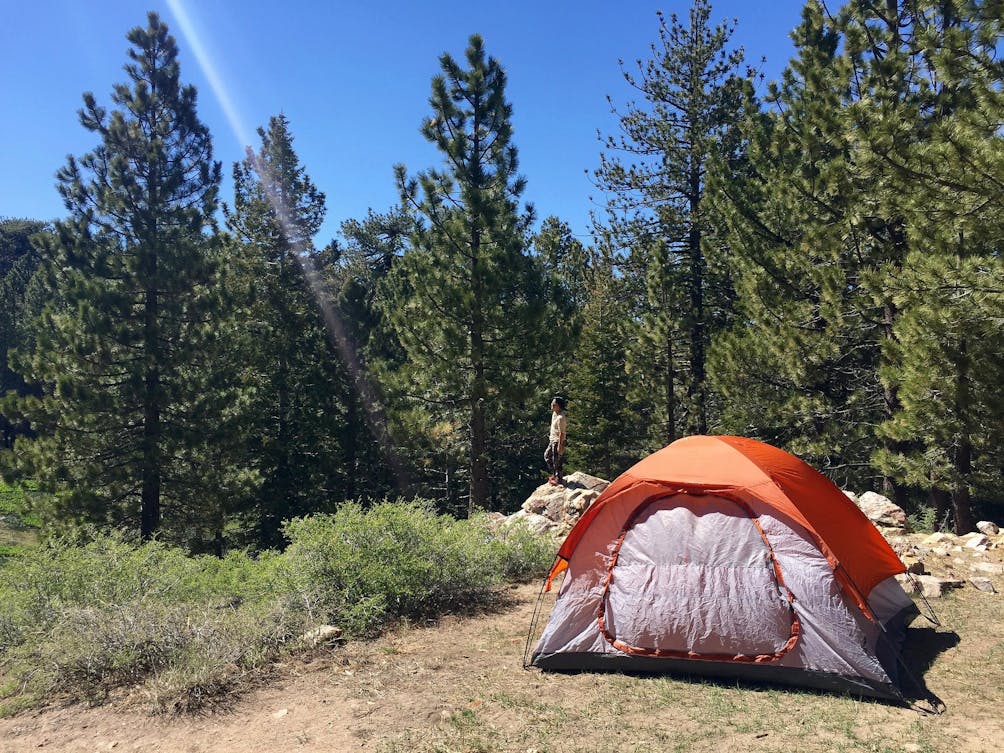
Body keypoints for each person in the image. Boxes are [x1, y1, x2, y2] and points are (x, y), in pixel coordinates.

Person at [544, 395, 567, 486]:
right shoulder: (555, 414)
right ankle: (554, 475)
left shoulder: (561, 417)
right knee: (547, 456)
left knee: (557, 460)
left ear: (559, 406)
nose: (552, 405)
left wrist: (560, 445)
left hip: (558, 440)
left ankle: (559, 479)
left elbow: (562, 432)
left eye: (554, 404)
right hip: (552, 439)